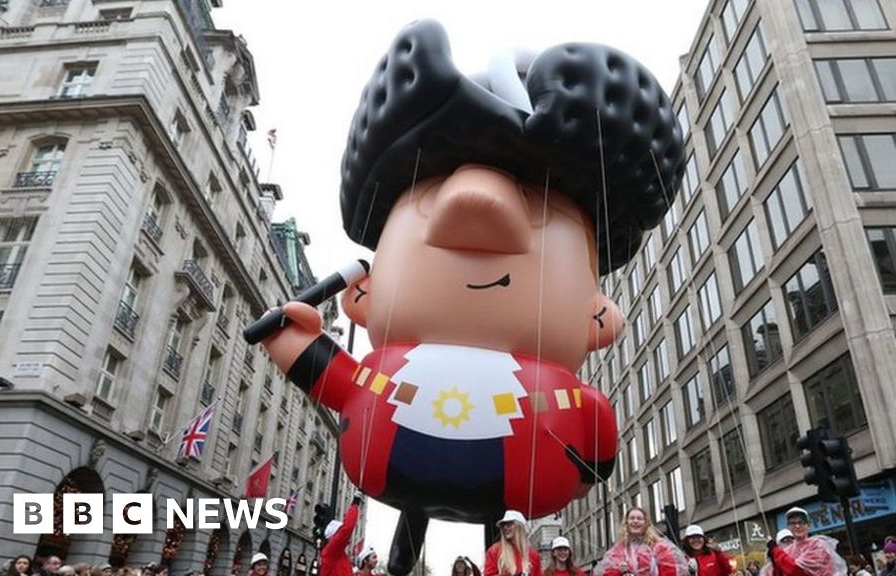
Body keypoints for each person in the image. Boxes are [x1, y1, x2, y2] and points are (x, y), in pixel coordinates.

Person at [256, 17, 682, 576]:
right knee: (429, 514)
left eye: (537, 206)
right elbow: (332, 377)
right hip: (404, 463)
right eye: (430, 195)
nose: (475, 204)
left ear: (598, 320)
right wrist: (291, 337)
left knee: (497, 524)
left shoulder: (551, 388)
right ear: (361, 295)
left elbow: (597, 444)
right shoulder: (383, 375)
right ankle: (408, 556)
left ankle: (493, 553)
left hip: (502, 474)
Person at [596, 507, 690, 576]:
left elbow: (672, 571)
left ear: (646, 523)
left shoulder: (660, 547)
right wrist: (619, 572)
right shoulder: (617, 551)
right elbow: (606, 573)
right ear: (626, 523)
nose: (635, 521)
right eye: (632, 518)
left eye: (639, 518)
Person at [762, 508, 846, 576]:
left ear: (808, 525)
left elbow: (796, 570)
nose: (797, 526)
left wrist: (775, 551)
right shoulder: (788, 551)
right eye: (793, 523)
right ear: (789, 527)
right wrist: (774, 560)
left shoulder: (818, 546)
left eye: (801, 522)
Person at [318, 495, 364, 576]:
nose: (345, 536)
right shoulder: (331, 551)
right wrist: (355, 503)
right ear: (334, 536)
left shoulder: (339, 555)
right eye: (340, 531)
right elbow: (347, 528)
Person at [485, 511, 541, 576]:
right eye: (503, 525)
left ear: (519, 527)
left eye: (509, 524)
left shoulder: (533, 554)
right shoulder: (494, 551)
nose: (505, 528)